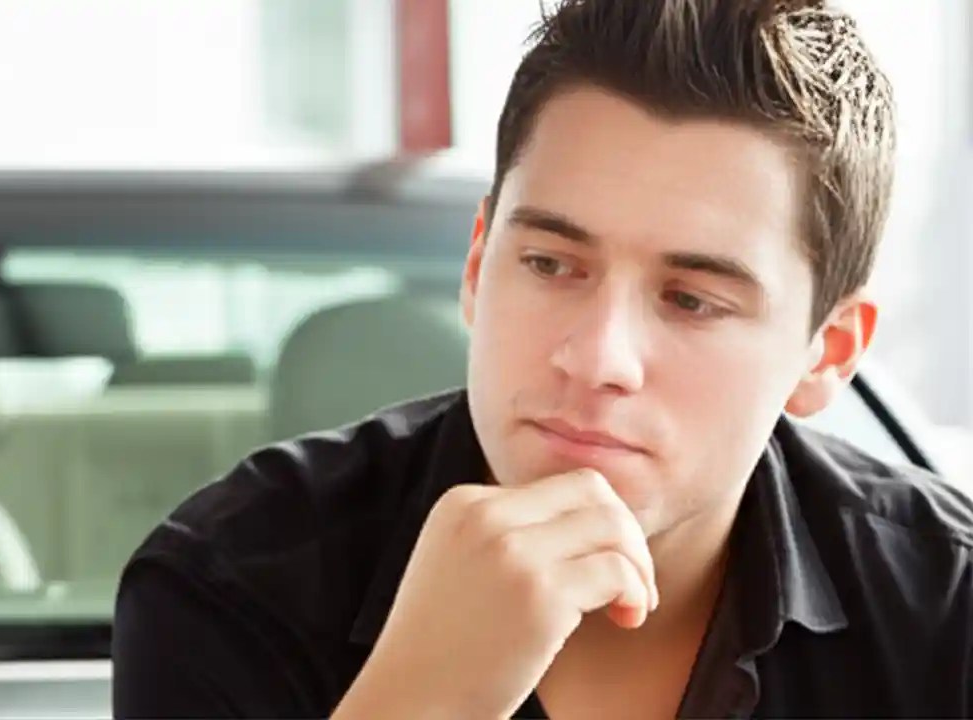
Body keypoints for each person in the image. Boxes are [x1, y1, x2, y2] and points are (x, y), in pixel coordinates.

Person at [112, 0, 973, 717]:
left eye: (691, 300)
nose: (599, 357)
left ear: (825, 354)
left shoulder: (947, 608)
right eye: (554, 265)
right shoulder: (229, 587)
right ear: (480, 265)